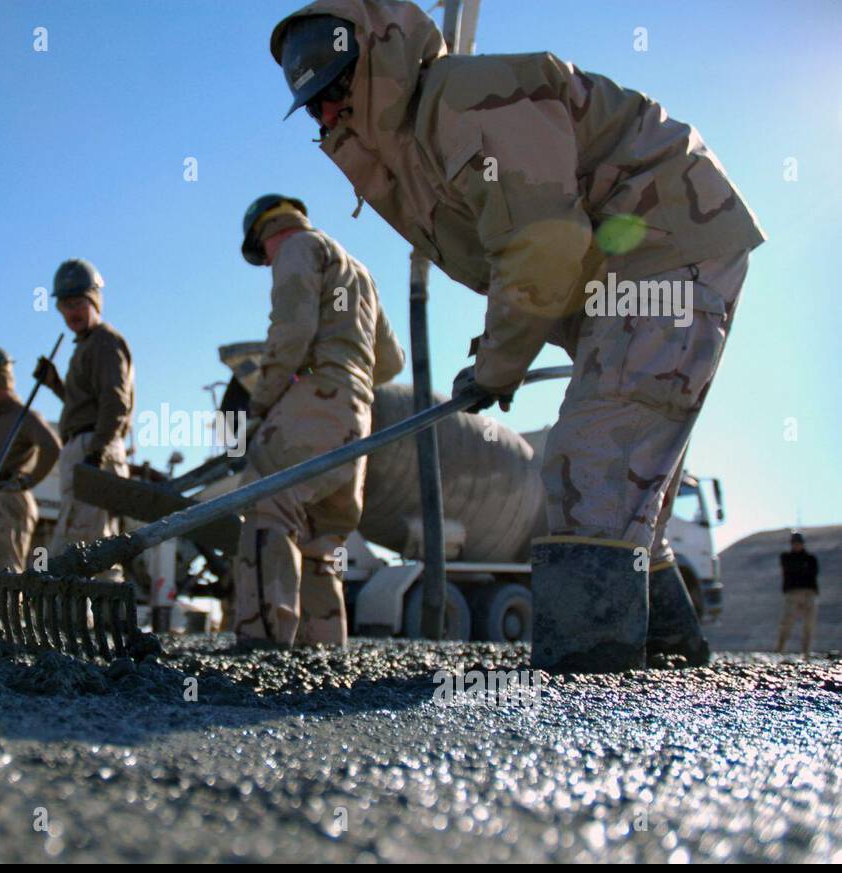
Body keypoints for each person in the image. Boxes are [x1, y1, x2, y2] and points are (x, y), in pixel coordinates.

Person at [270, 0, 764, 672]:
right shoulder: (411, 147)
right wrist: (496, 354)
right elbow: (525, 252)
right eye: (315, 108)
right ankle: (671, 658)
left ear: (380, 58)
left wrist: (498, 365)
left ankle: (590, 694)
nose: (329, 116)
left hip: (664, 243)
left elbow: (543, 242)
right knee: (623, 486)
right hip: (615, 276)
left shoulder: (463, 101)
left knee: (588, 466)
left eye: (336, 91)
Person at [234, 194, 404, 649]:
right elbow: (390, 362)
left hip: (314, 399)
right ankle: (323, 654)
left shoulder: (297, 248)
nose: (269, 263)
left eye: (263, 255)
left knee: (267, 503)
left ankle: (261, 648)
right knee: (321, 538)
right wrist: (346, 368)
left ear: (265, 237)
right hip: (355, 412)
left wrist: (262, 405)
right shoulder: (360, 271)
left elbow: (291, 330)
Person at [33, 259, 135, 579]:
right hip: (89, 444)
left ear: (94, 300)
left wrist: (96, 453)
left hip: (95, 446)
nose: (71, 312)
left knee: (79, 542)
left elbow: (114, 402)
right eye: (64, 305)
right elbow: (87, 405)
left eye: (78, 303)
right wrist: (56, 385)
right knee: (96, 542)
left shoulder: (104, 340)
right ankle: (101, 623)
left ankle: (73, 622)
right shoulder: (86, 345)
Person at [0, 346, 61, 572]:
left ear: (2, 381)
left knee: (4, 576)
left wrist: (27, 480)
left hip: (8, 502)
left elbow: (52, 447)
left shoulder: (24, 416)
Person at [776, 532, 819, 656]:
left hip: (809, 593)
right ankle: (780, 650)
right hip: (792, 593)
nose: (797, 546)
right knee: (787, 623)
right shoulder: (787, 557)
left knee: (809, 624)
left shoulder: (810, 558)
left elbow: (812, 572)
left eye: (798, 543)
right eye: (795, 543)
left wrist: (800, 569)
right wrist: (802, 568)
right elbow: (791, 569)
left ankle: (806, 653)